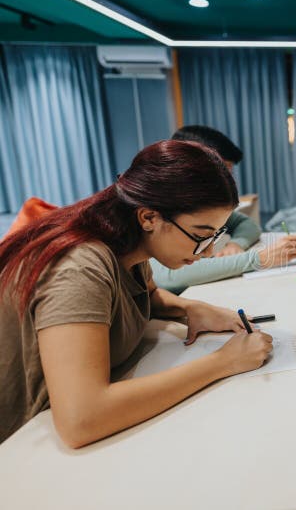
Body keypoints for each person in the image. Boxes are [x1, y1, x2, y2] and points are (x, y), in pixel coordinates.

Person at [0, 140, 274, 448]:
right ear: (149, 218)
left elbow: (145, 295)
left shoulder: (129, 244)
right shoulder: (79, 268)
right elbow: (82, 418)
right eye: (200, 236)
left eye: (215, 237)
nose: (209, 252)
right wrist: (223, 362)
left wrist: (188, 308)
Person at [151, 125, 296, 293]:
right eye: (222, 171)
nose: (228, 180)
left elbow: (247, 224)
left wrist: (236, 244)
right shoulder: (156, 205)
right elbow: (168, 276)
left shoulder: (200, 202)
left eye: (228, 172)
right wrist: (259, 258)